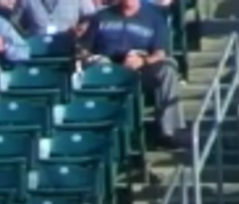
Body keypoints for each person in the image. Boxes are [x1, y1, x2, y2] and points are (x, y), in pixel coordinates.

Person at [78, 0, 184, 148]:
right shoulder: (101, 16)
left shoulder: (154, 16)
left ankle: (169, 132)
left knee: (168, 69)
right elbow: (84, 48)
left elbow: (160, 52)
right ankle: (100, 130)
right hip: (108, 68)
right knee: (98, 68)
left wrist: (143, 60)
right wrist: (92, 58)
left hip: (142, 68)